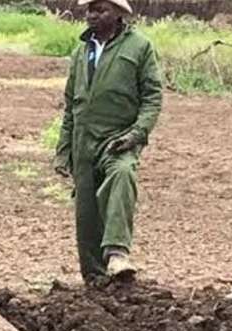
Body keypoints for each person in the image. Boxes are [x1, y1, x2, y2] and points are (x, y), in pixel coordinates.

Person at [54, 0, 162, 285]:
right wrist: (64, 152)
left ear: (118, 14)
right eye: (90, 9)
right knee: (86, 214)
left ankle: (117, 253)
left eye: (100, 10)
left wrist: (136, 133)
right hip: (83, 141)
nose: (91, 15)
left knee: (122, 174)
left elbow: (152, 97)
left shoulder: (139, 47)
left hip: (119, 138)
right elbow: (70, 106)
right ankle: (96, 281)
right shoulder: (81, 52)